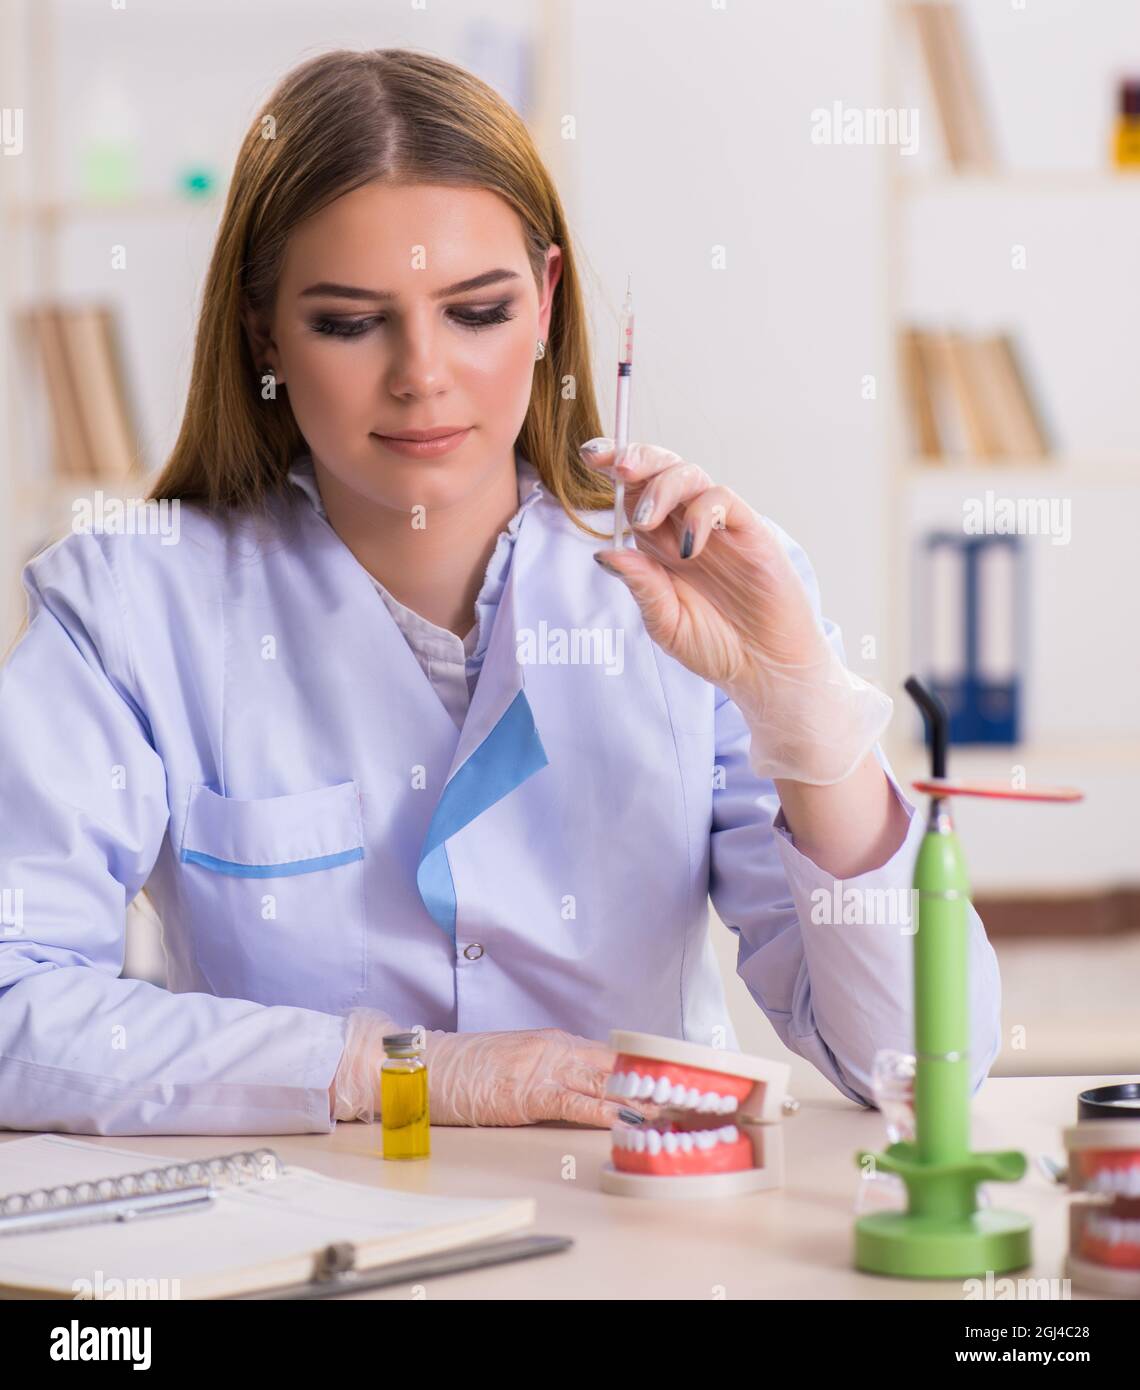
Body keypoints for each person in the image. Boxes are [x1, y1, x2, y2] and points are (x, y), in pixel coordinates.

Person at [0, 49, 1000, 1136]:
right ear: (264, 333)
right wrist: (408, 1075)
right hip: (311, 1239)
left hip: (640, 1236)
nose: (421, 374)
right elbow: (16, 1010)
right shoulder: (132, 603)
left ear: (545, 304)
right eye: (348, 322)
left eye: (476, 310)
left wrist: (809, 719)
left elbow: (916, 1064)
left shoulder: (700, 591)